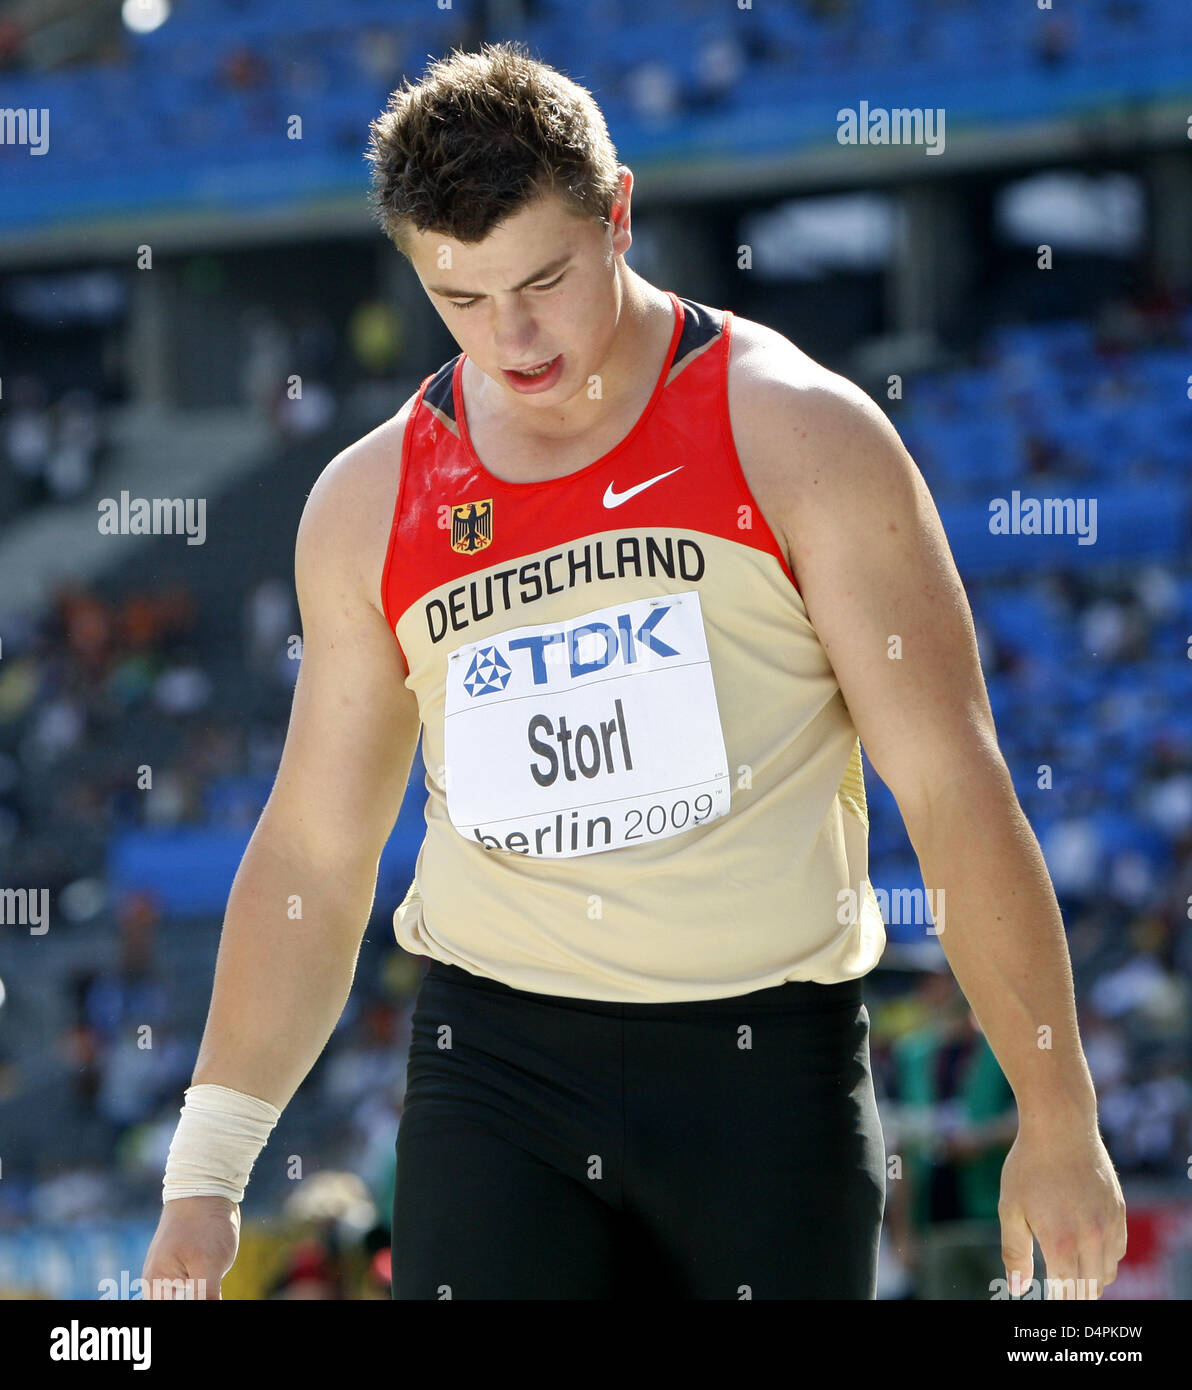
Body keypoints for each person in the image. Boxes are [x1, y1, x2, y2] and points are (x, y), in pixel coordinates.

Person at [143, 40, 1126, 1301]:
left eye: (543, 280)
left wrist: (1056, 1114)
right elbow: (313, 852)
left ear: (618, 214)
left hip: (763, 1068)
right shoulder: (368, 500)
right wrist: (207, 1171)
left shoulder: (799, 433)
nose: (513, 336)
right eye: (460, 297)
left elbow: (947, 781)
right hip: (494, 1062)